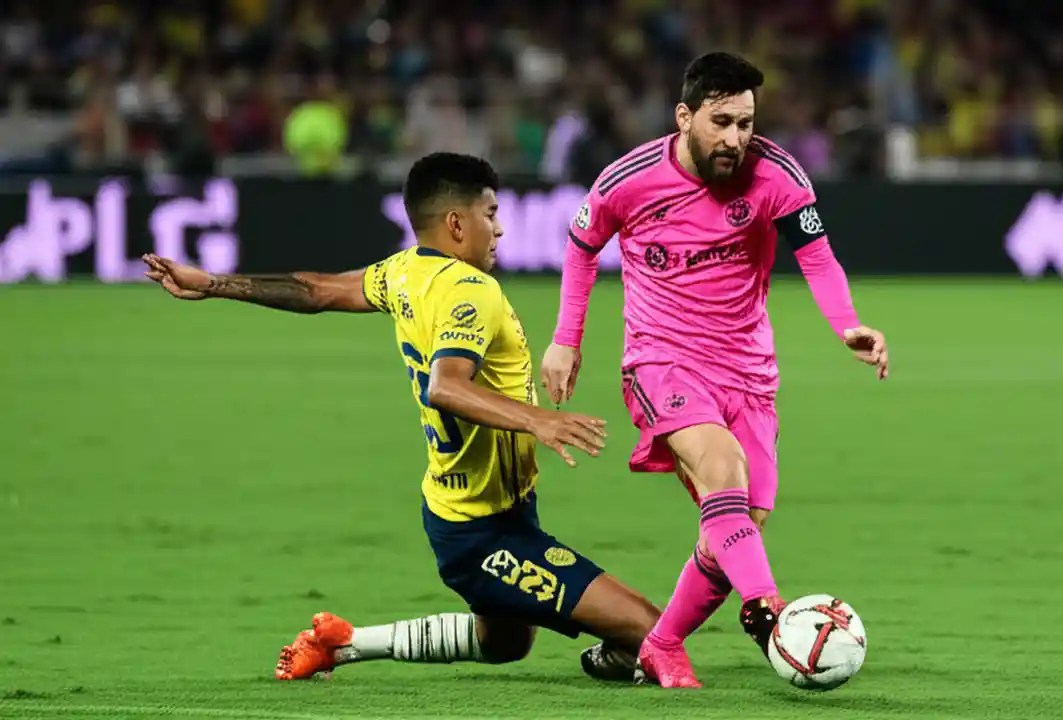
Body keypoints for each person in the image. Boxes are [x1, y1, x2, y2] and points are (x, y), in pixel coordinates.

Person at [142, 152, 658, 682]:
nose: (501, 229)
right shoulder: (470, 290)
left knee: (505, 642)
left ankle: (341, 644)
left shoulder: (403, 271)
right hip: (482, 531)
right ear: (457, 224)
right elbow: (446, 387)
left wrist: (215, 284)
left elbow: (315, 290)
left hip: (473, 510)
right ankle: (620, 650)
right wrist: (537, 421)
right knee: (653, 633)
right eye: (491, 213)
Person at [541, 52, 889, 689]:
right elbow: (582, 247)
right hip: (661, 361)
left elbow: (817, 257)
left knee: (738, 525)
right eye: (721, 121)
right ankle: (770, 612)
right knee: (722, 473)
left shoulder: (776, 174)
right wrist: (567, 340)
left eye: (746, 123)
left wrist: (848, 324)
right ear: (685, 116)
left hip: (749, 372)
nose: (735, 138)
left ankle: (659, 645)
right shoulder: (628, 179)